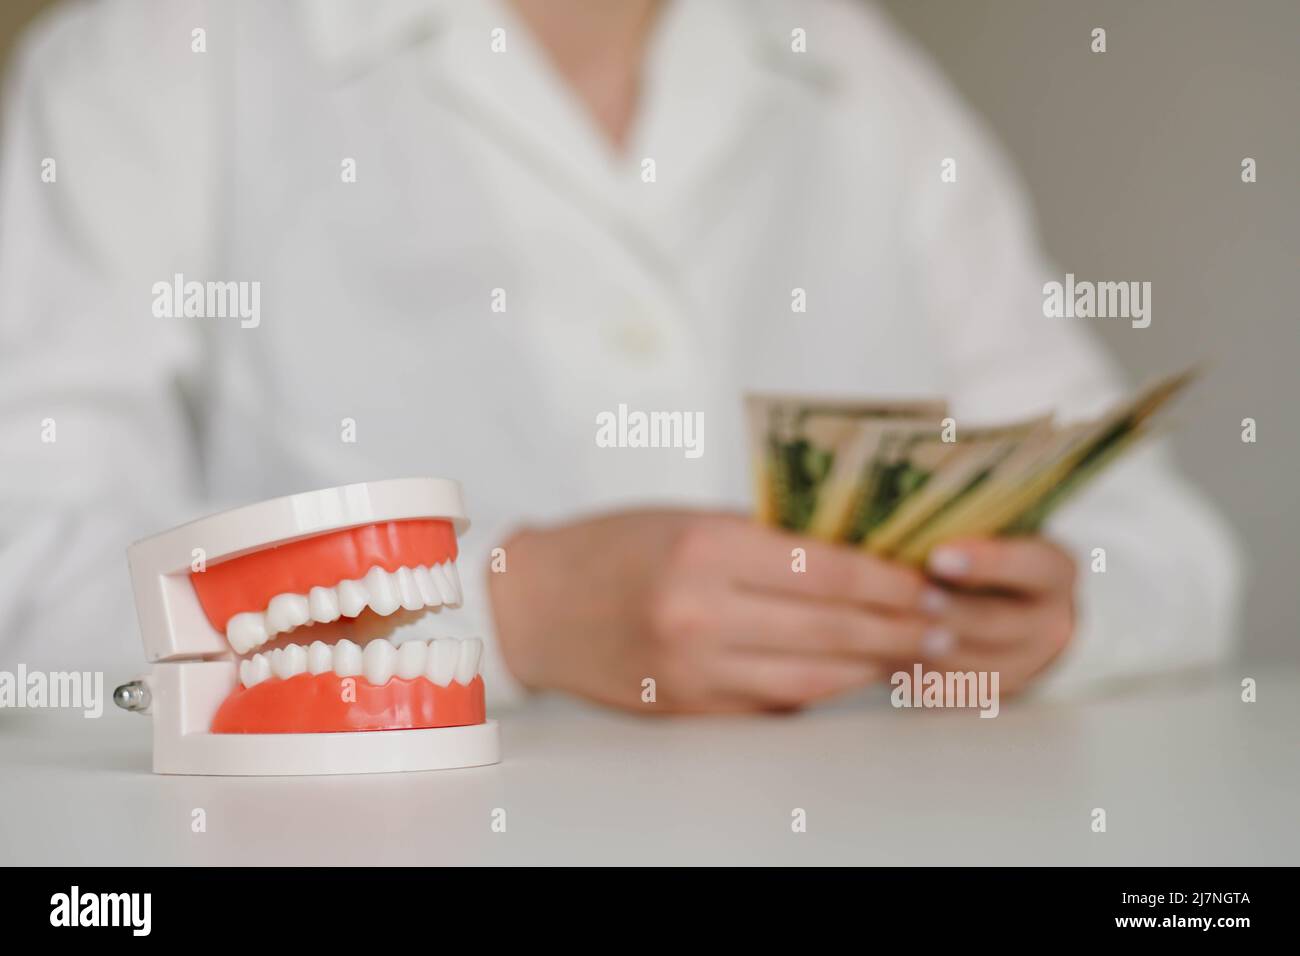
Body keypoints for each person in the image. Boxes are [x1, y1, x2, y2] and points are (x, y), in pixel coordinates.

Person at [0, 0, 1240, 712]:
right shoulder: (150, 62)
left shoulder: (866, 80)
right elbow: (27, 595)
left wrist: (1055, 617)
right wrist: (502, 611)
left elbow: (1168, 547)